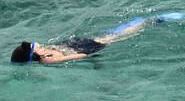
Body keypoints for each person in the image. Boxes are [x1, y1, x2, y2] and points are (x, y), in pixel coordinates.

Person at [10, 16, 165, 65]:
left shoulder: (46, 60)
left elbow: (79, 57)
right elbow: (33, 44)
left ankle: (145, 24)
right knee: (110, 36)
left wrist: (92, 59)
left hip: (78, 49)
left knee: (119, 38)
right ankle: (140, 24)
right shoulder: (37, 49)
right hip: (71, 43)